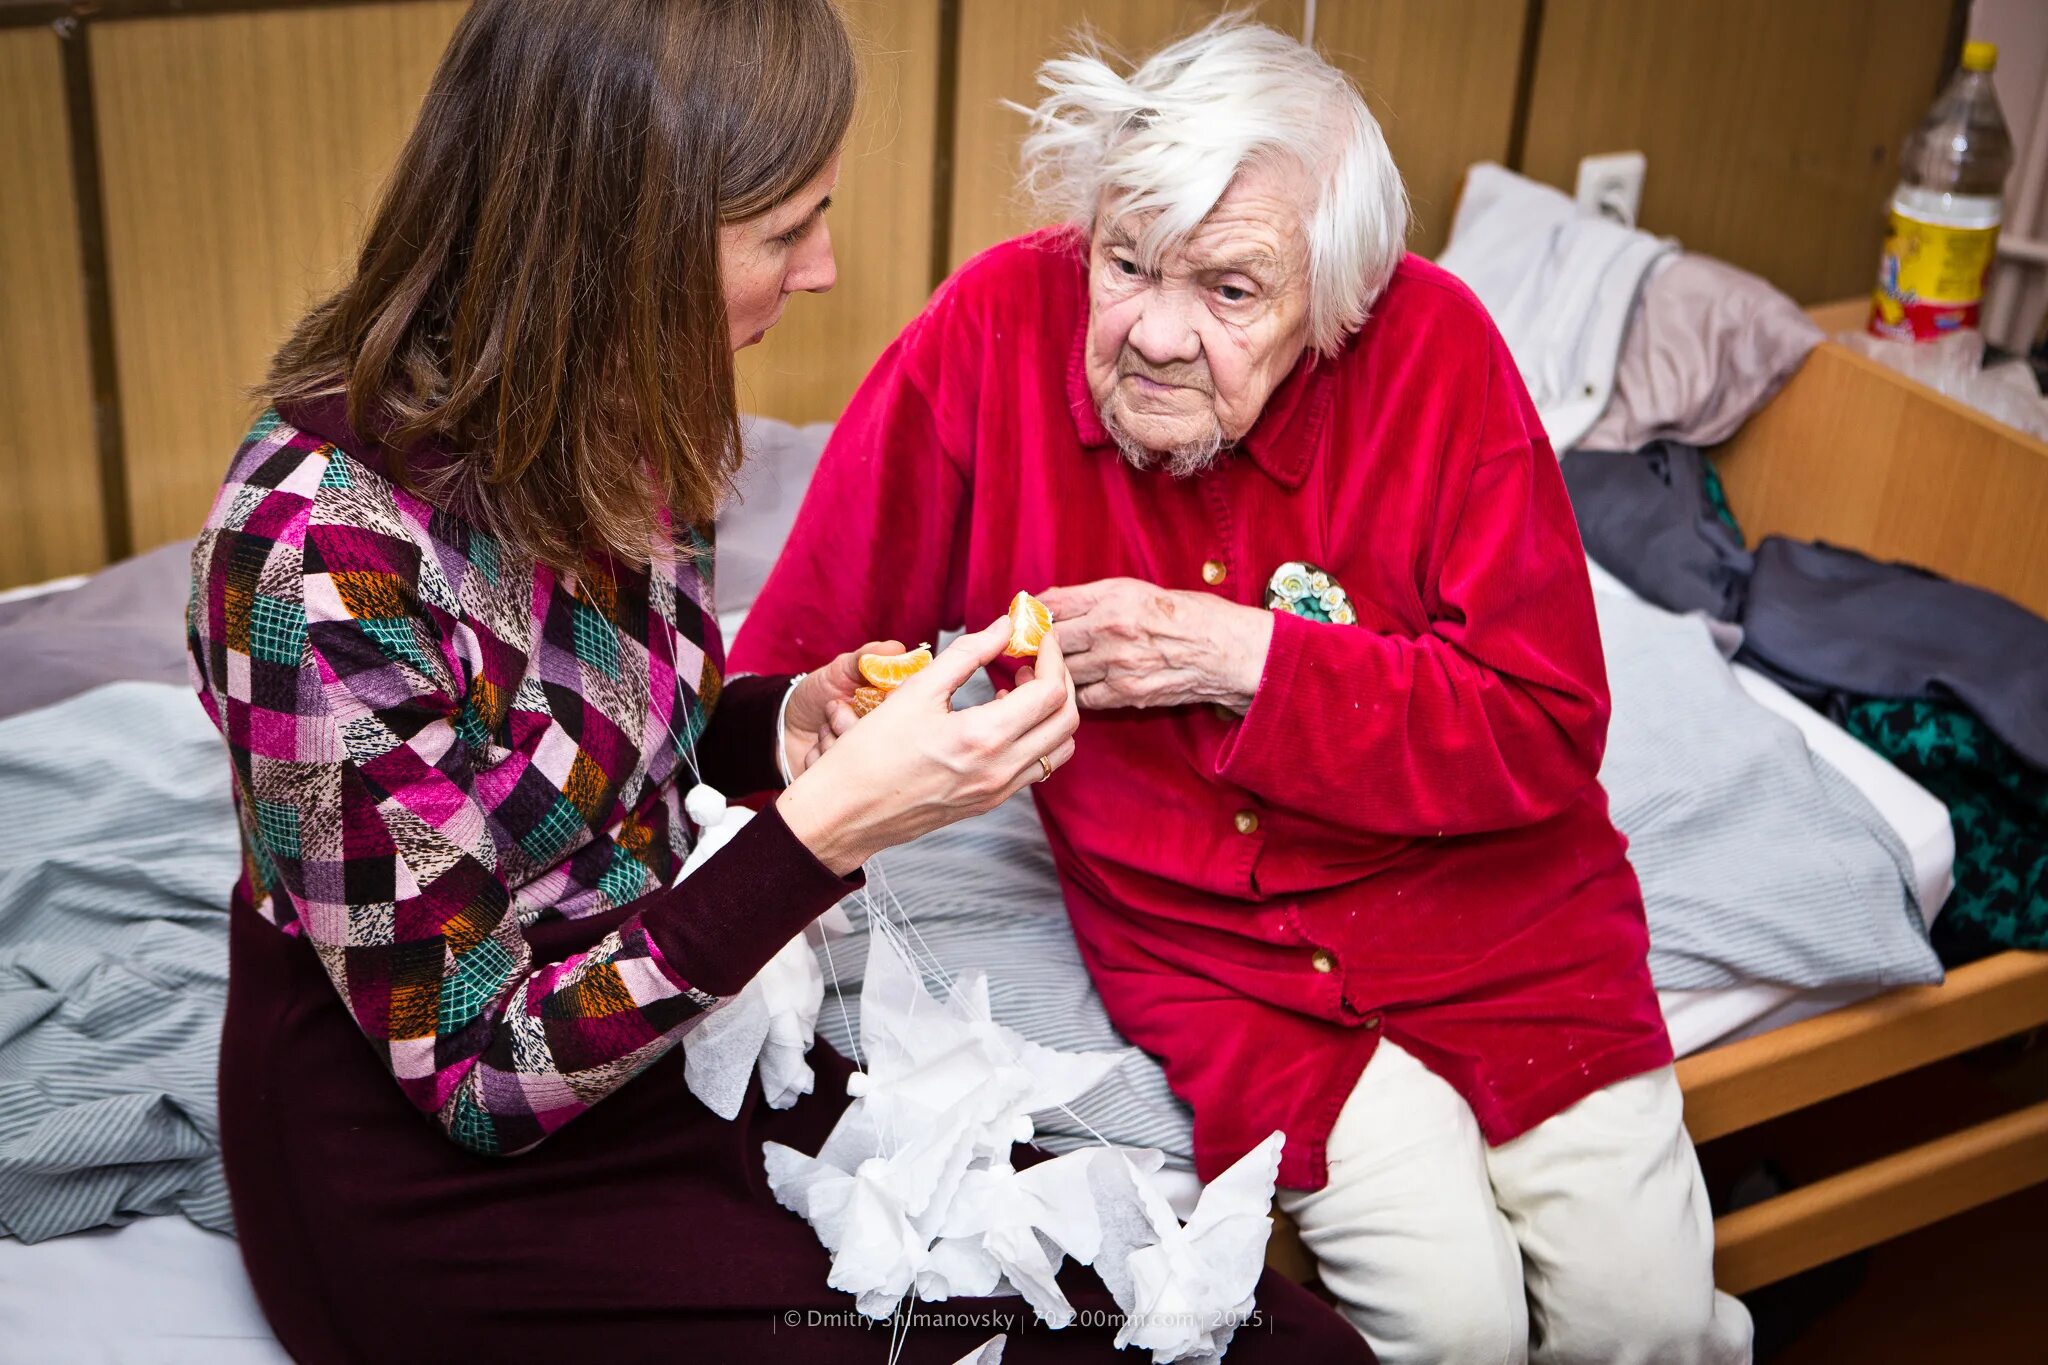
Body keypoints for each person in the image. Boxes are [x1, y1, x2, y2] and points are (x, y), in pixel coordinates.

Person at [185, 2, 1364, 1359]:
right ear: (627, 248)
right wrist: (827, 832)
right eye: (786, 228)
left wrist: (784, 716)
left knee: (1259, 1334)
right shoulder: (310, 556)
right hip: (440, 1161)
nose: (824, 268)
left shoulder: (615, 406)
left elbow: (604, 742)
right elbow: (475, 1070)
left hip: (647, 1019)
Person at [736, 18, 1754, 1365]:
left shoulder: (1438, 349)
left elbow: (1547, 723)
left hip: (1504, 921)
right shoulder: (991, 328)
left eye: (1229, 291)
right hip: (1220, 966)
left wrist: (1238, 657)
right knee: (1451, 1325)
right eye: (1125, 261)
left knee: (1651, 1318)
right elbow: (796, 665)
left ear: (1333, 304)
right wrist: (828, 723)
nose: (1153, 333)